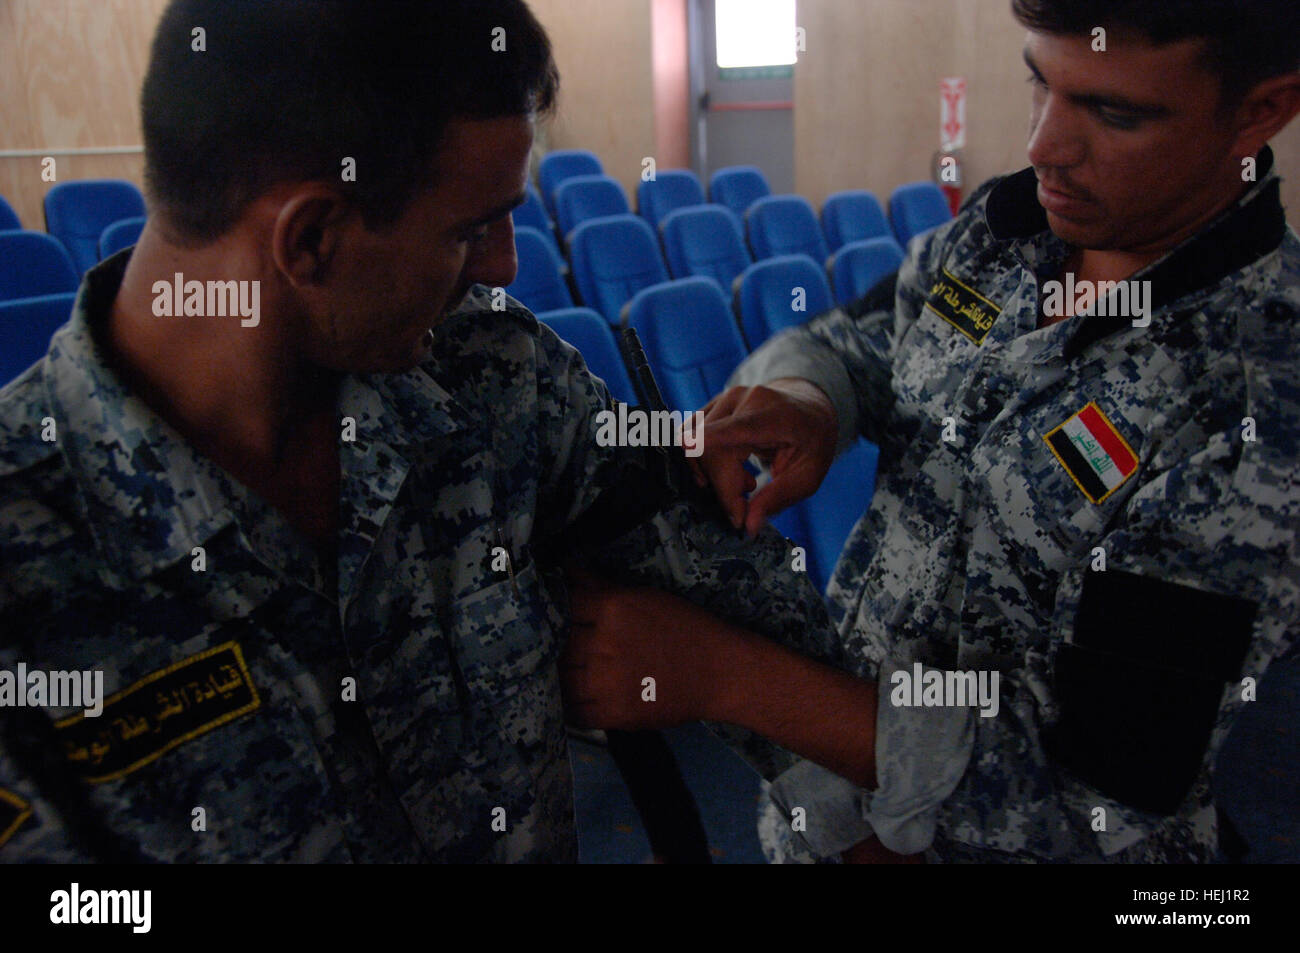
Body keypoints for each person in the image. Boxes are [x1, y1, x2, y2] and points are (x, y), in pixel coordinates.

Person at [0, 0, 837, 862]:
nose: (507, 265)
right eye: (470, 230)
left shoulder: (491, 382)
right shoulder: (28, 578)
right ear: (313, 239)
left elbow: (740, 587)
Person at [562, 0, 1300, 862]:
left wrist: (730, 678)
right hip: (836, 817)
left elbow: (1088, 792)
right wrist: (809, 398)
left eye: (1113, 112)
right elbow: (859, 340)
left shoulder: (1255, 394)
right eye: (1041, 83)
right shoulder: (1006, 233)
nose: (1044, 146)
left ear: (1259, 111)